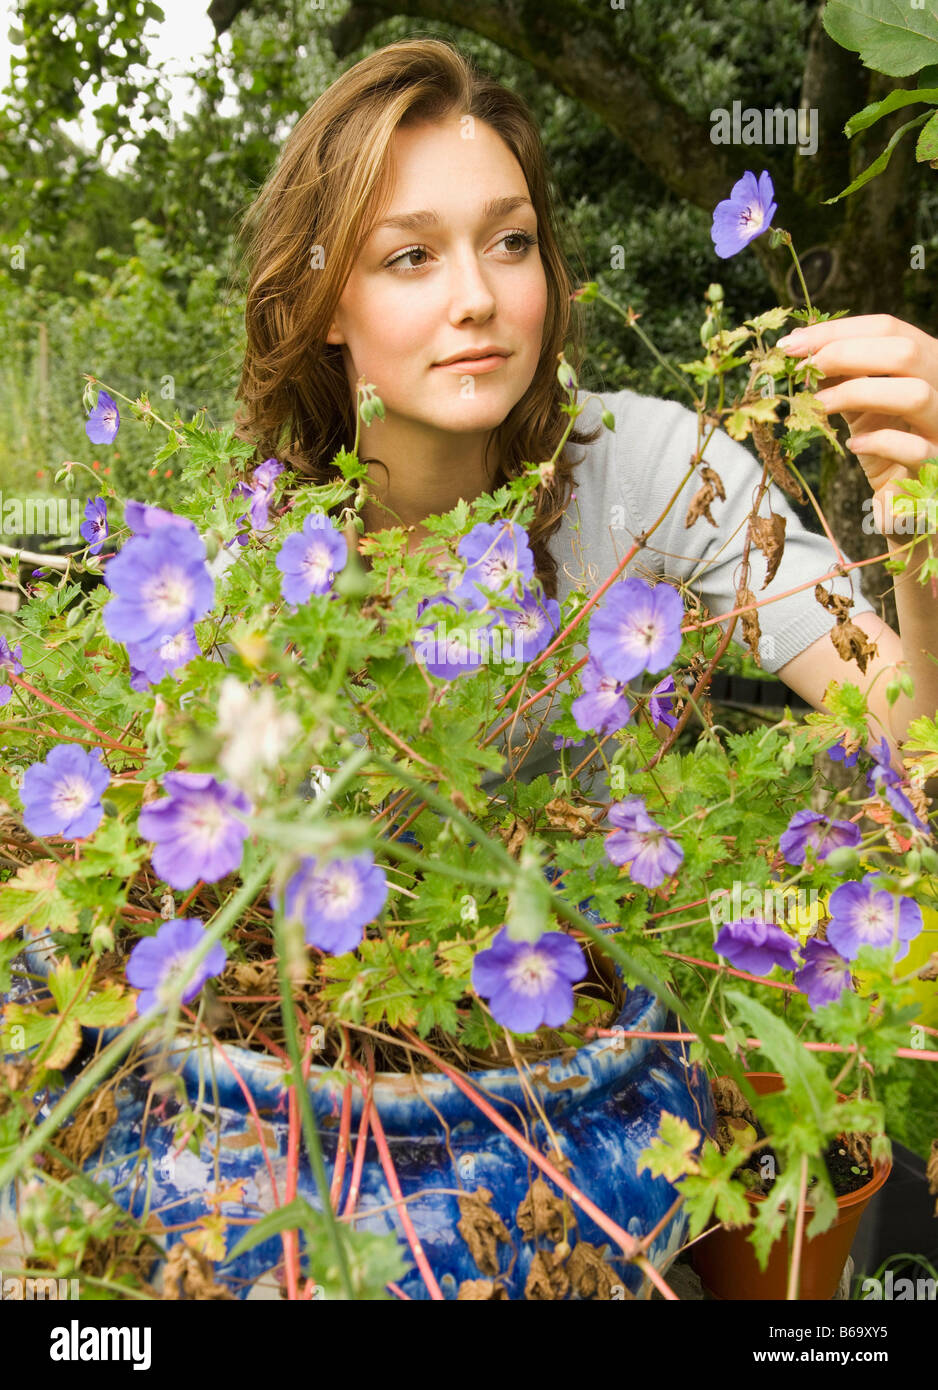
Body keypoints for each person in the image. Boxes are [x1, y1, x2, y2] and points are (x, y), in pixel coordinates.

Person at [233, 37, 937, 803]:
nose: (477, 297)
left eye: (511, 241)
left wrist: (919, 524)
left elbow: (914, 737)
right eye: (411, 256)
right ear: (326, 298)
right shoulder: (250, 555)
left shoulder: (655, 467)